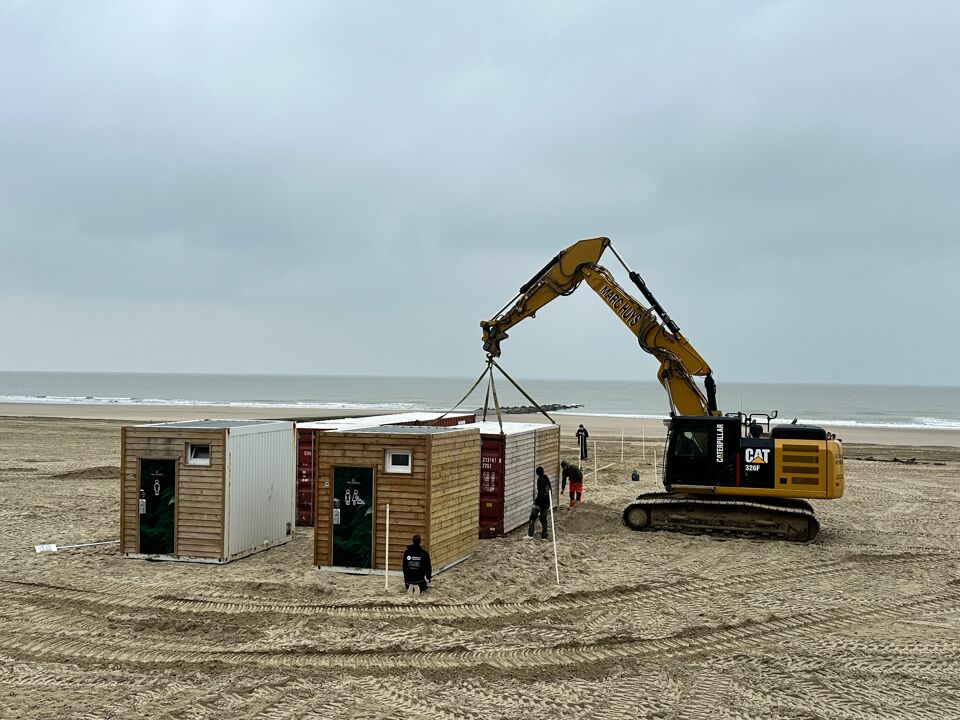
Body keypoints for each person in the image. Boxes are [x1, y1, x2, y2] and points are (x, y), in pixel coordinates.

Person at [527, 466, 552, 540]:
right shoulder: (547, 479)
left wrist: (536, 502)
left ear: (537, 473)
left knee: (532, 517)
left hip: (540, 502)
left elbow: (540, 493)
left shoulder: (540, 480)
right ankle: (544, 536)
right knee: (543, 518)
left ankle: (530, 535)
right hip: (547, 502)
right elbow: (549, 491)